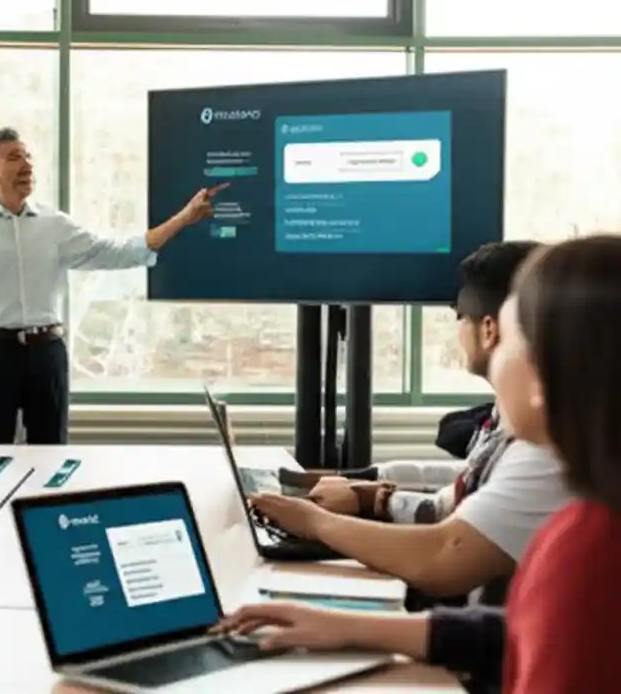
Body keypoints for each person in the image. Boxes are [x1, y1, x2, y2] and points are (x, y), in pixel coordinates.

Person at [218, 235, 621, 694]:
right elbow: (520, 632)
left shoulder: (588, 545)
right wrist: (348, 626)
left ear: (544, 377)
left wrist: (318, 521)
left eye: (511, 338)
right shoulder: (591, 519)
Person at [251, 242, 571, 606]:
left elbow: (443, 556)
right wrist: (365, 485)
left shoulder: (551, 452)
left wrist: (317, 521)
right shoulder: (545, 441)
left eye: (517, 338)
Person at [0, 127, 226, 445]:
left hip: (46, 352)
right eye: (14, 157)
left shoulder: (53, 224)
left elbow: (117, 251)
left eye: (28, 156)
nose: (27, 165)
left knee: (52, 450)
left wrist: (183, 217)